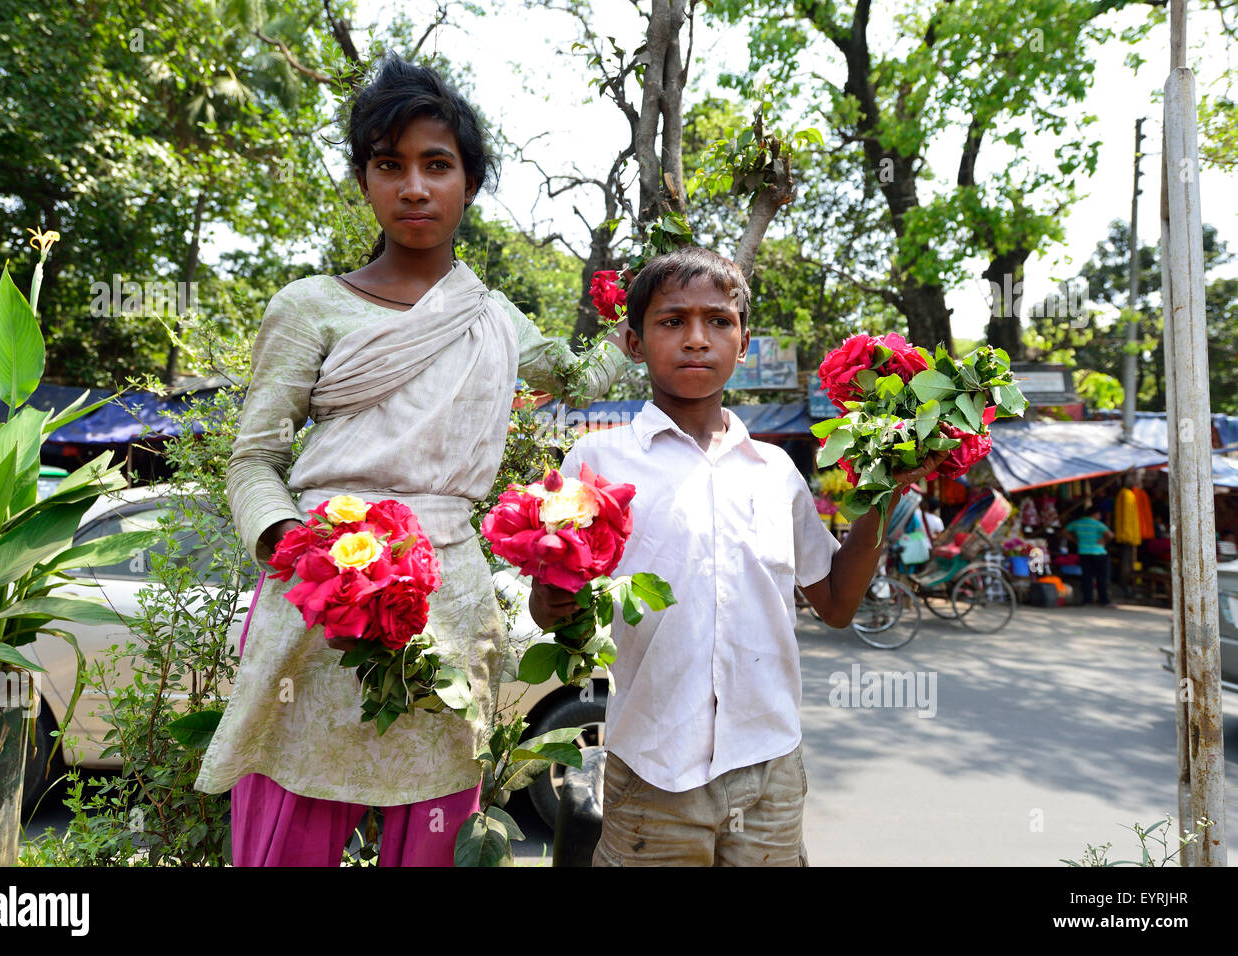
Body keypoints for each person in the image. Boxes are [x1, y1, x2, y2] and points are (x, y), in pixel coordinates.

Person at [193, 54, 629, 867]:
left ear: (469, 183)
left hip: (451, 599)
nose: (415, 187)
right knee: (291, 824)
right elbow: (253, 459)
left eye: (438, 165)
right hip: (319, 593)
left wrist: (643, 304)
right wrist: (294, 547)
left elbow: (582, 377)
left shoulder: (494, 318)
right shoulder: (308, 306)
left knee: (436, 825)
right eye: (390, 166)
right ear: (365, 182)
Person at [528, 247, 950, 866]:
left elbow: (834, 604)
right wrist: (553, 591)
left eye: (718, 322)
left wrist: (888, 490)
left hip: (769, 771)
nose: (696, 339)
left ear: (744, 342)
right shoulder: (598, 465)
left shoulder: (776, 471)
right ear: (634, 341)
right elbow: (556, 615)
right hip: (651, 770)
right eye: (672, 321)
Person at [1063, 504, 1114, 606]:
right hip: (1098, 553)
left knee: (1086, 577)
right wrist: (1104, 540)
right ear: (1095, 514)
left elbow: (1064, 531)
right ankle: (1104, 600)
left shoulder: (1078, 523)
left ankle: (1087, 600)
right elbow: (1111, 535)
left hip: (1084, 552)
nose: (1100, 516)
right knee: (1101, 578)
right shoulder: (1097, 524)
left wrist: (1075, 540)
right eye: (1099, 514)